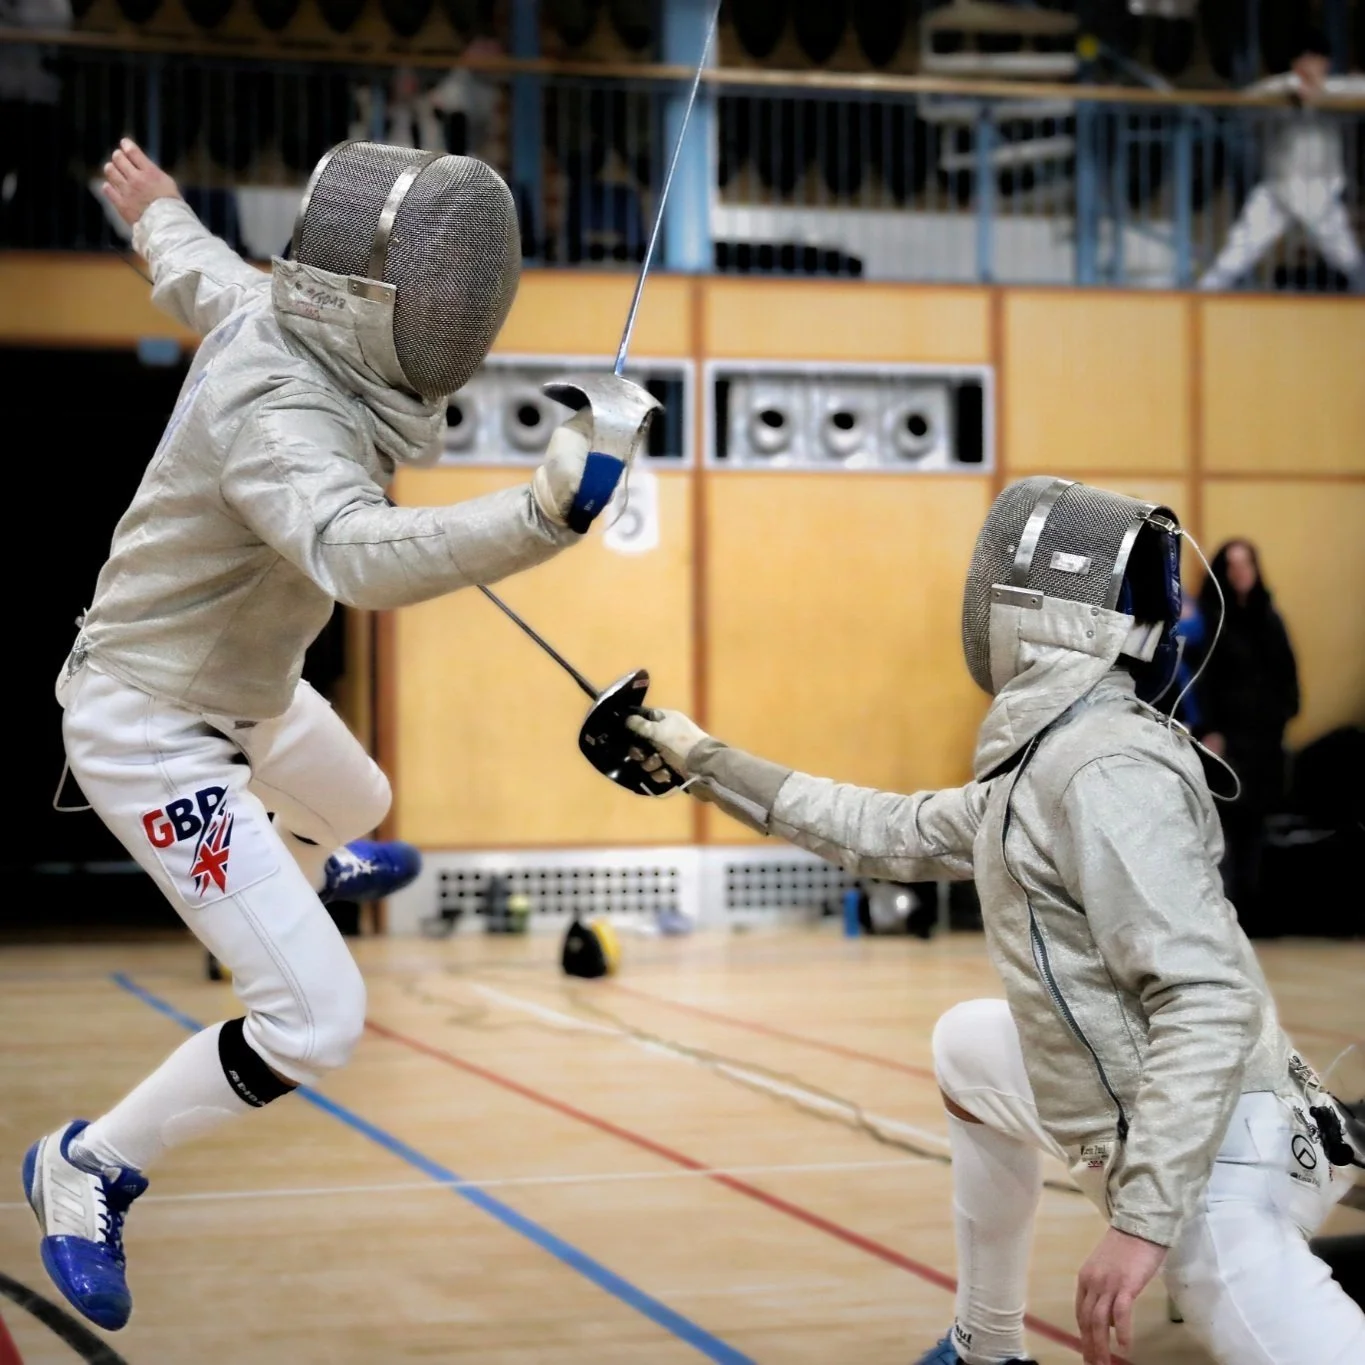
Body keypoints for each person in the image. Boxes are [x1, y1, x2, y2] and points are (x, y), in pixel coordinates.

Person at [23, 136, 649, 1331]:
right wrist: (540, 513)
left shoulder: (276, 308)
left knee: (360, 808)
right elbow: (354, 555)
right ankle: (88, 1165)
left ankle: (314, 862)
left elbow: (200, 269)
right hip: (154, 725)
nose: (456, 313)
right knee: (316, 1018)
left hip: (249, 692)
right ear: (372, 299)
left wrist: (155, 213)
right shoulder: (278, 411)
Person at [628, 476, 1364, 1365]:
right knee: (969, 1046)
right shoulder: (1043, 763)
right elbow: (881, 828)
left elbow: (1204, 998)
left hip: (1215, 1163)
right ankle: (987, 1347)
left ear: (1044, 616)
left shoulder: (1104, 771)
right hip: (1159, 1118)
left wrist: (1140, 1225)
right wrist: (704, 759)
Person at [1198, 29, 1365, 293]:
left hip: (1318, 188)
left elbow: (1358, 89)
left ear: (1326, 63)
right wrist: (1293, 93)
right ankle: (1199, 300)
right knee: (1240, 248)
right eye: (1304, 59)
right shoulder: (1278, 88)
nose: (1309, 64)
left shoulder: (1338, 88)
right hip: (1279, 185)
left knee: (1346, 256)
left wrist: (1322, 95)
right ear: (1295, 63)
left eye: (1316, 59)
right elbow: (1246, 100)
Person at [1193, 539, 1300, 931]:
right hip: (1220, 744)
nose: (1240, 573)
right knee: (1217, 834)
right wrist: (1208, 731)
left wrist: (1273, 725)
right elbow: (1200, 683)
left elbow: (1288, 688)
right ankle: (1220, 918)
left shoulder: (1270, 620)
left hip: (1262, 746)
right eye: (1232, 565)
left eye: (1247, 564)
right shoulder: (1209, 620)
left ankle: (1251, 917)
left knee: (1254, 832)